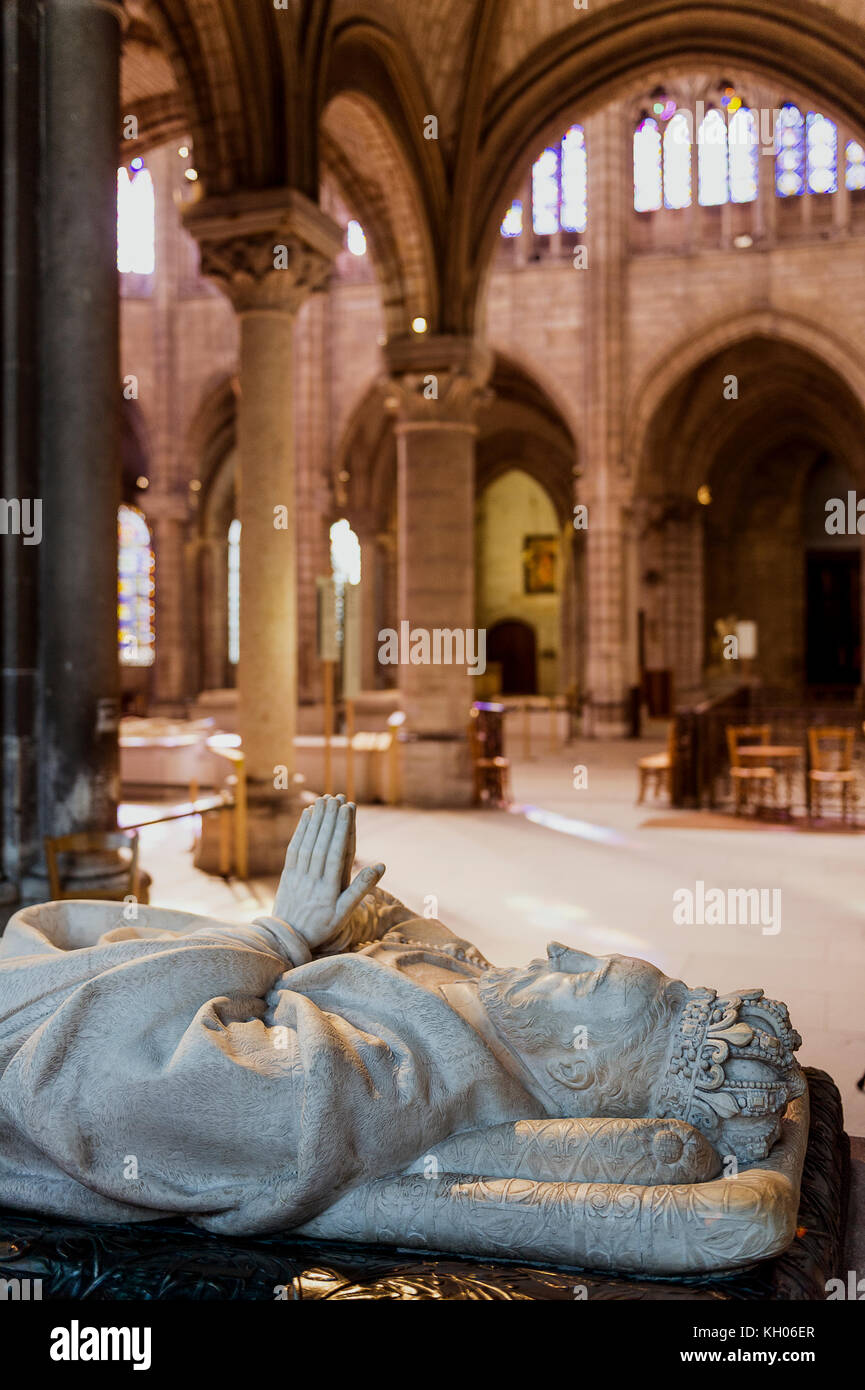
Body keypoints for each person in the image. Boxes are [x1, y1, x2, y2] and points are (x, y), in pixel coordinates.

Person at [0, 796, 802, 1235]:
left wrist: (278, 932)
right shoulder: (489, 999)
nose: (559, 951)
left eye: (588, 982)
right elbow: (392, 931)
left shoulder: (389, 1083)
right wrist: (344, 916)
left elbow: (93, 1090)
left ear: (576, 1069)